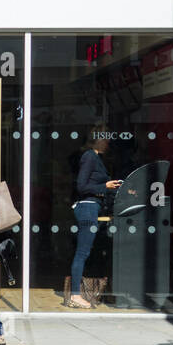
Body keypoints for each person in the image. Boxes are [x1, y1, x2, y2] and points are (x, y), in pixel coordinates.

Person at [67, 129, 122, 309]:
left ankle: (77, 293)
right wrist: (104, 186)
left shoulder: (95, 157)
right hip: (87, 207)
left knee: (85, 251)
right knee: (82, 252)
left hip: (92, 207)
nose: (108, 143)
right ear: (96, 140)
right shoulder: (89, 156)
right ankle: (75, 295)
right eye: (105, 140)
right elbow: (82, 186)